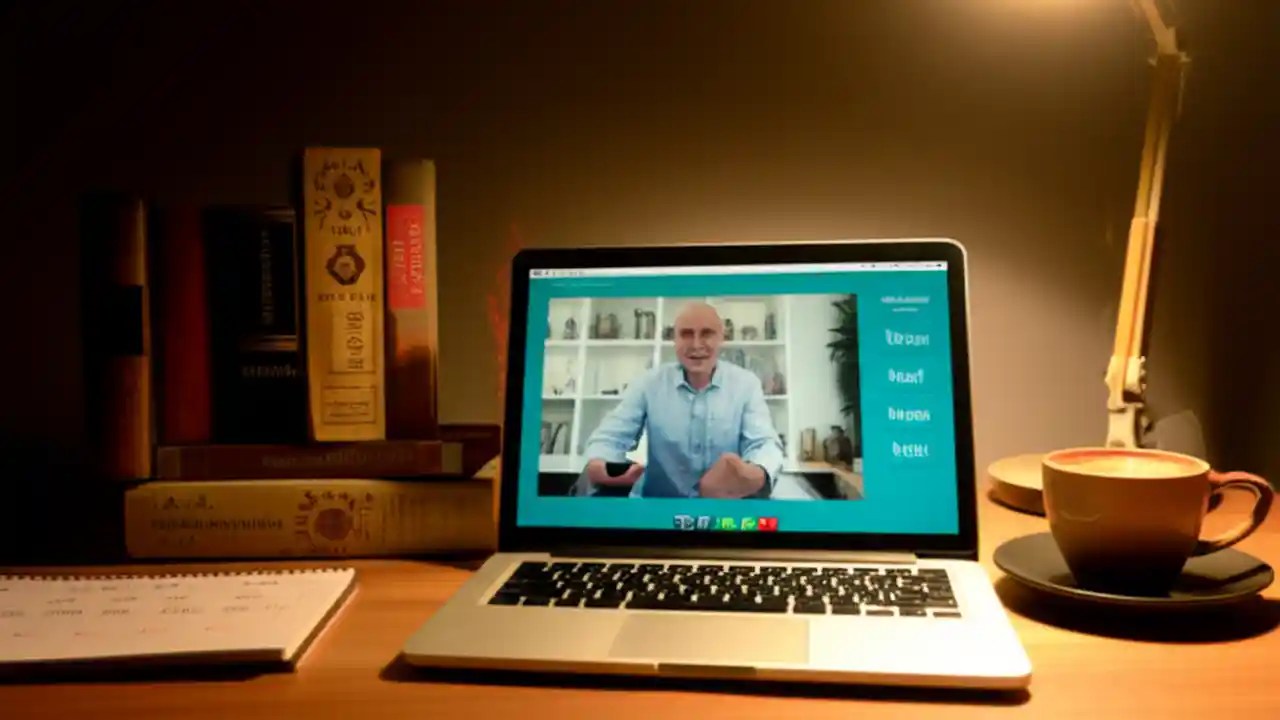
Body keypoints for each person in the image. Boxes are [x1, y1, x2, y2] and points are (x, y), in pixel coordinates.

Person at [581, 301, 784, 498]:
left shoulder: (746, 384)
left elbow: (764, 443)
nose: (696, 345)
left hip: (721, 513)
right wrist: (601, 466)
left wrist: (754, 474)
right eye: (686, 334)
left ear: (722, 337)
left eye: (707, 333)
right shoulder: (648, 383)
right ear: (674, 340)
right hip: (658, 513)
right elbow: (609, 438)